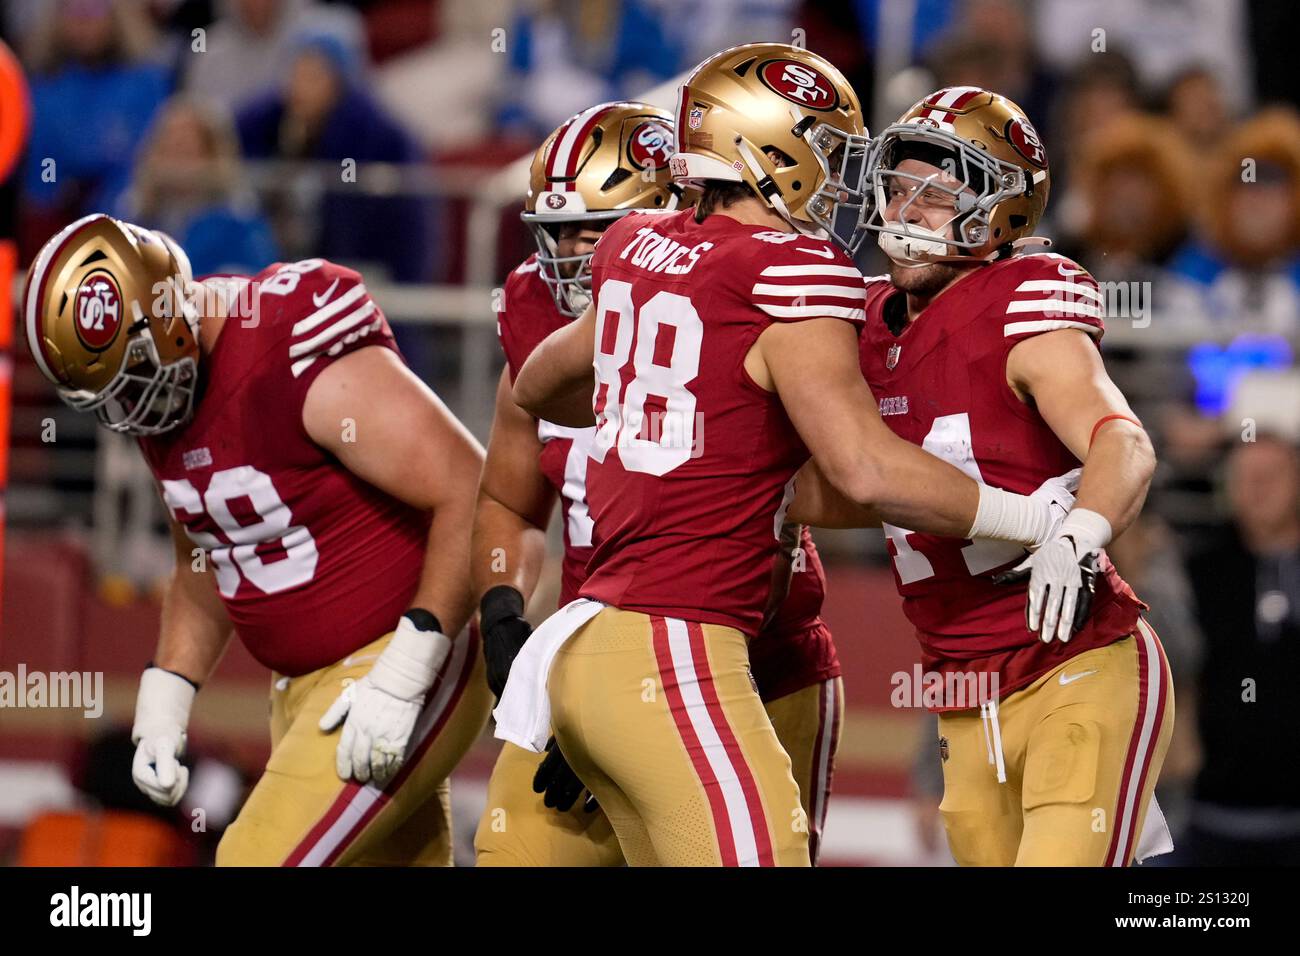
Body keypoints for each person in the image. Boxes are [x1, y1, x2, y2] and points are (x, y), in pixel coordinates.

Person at [500, 43, 1077, 867]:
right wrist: (1036, 519)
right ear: (771, 148)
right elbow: (865, 469)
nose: (838, 178)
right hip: (677, 651)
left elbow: (536, 386)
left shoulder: (633, 244)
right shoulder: (793, 271)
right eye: (827, 148)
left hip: (587, 644)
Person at [23, 213, 492, 865]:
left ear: (172, 312)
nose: (130, 413)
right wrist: (168, 693)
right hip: (301, 688)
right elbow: (206, 550)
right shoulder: (164, 393)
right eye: (108, 399)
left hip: (396, 657)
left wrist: (406, 669)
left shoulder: (281, 346)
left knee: (253, 859)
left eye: (134, 381)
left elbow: (471, 488)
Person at [471, 102, 842, 866]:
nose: (573, 252)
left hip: (748, 658)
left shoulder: (746, 295)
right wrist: (503, 607)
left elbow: (765, 524)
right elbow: (508, 498)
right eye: (558, 230)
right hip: (600, 644)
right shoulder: (535, 310)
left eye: (595, 229)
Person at [857, 85, 1171, 865]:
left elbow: (1122, 440)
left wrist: (1081, 531)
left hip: (1073, 663)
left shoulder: (1021, 302)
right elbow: (848, 482)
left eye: (934, 195)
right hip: (961, 694)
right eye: (898, 188)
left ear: (1000, 210)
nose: (905, 211)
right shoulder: (860, 329)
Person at [1180, 429, 1300, 864]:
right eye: (1246, 476)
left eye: (1272, 475)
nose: (1259, 488)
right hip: (1211, 808)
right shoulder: (1199, 569)